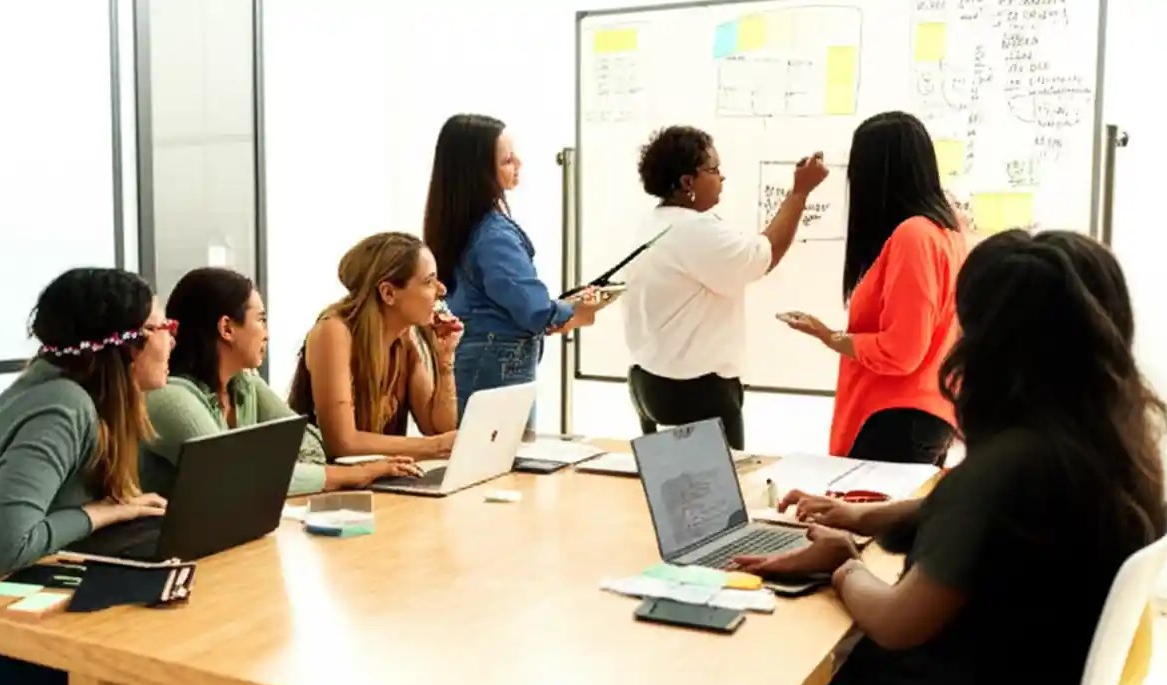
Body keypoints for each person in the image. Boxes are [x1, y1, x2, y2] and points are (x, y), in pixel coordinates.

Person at [733, 230, 1167, 685]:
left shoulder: (1007, 467)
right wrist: (861, 516)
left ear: (994, 348)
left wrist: (845, 564)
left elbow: (897, 623)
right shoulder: (1102, 447)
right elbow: (983, 515)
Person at [0, 268, 231, 685]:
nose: (173, 340)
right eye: (163, 327)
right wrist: (102, 512)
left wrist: (118, 508)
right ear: (127, 345)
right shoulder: (63, 406)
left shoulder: (64, 393)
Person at [622, 125, 828, 449]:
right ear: (687, 182)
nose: (722, 177)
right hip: (695, 394)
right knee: (714, 482)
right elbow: (764, 255)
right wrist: (800, 193)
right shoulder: (692, 230)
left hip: (650, 383)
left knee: (671, 478)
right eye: (714, 169)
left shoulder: (655, 222)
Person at [781, 111, 966, 464]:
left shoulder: (914, 236)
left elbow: (902, 351)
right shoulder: (950, 232)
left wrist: (829, 336)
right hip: (923, 414)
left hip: (895, 418)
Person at [140, 268, 422, 497]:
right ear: (227, 328)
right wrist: (356, 474)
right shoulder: (169, 397)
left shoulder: (245, 384)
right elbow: (234, 481)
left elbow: (310, 447)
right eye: (261, 320)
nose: (267, 334)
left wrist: (256, 469)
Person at [423, 113, 610, 427]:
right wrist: (577, 308)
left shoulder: (455, 225)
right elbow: (534, 311)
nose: (519, 164)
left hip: (474, 361)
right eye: (507, 160)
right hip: (496, 367)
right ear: (478, 172)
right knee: (500, 454)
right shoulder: (494, 234)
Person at [288, 232, 462, 461]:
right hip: (327, 479)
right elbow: (342, 443)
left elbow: (439, 429)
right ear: (388, 293)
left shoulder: (406, 338)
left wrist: (445, 362)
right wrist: (434, 446)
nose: (442, 290)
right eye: (429, 281)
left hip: (382, 477)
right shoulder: (333, 332)